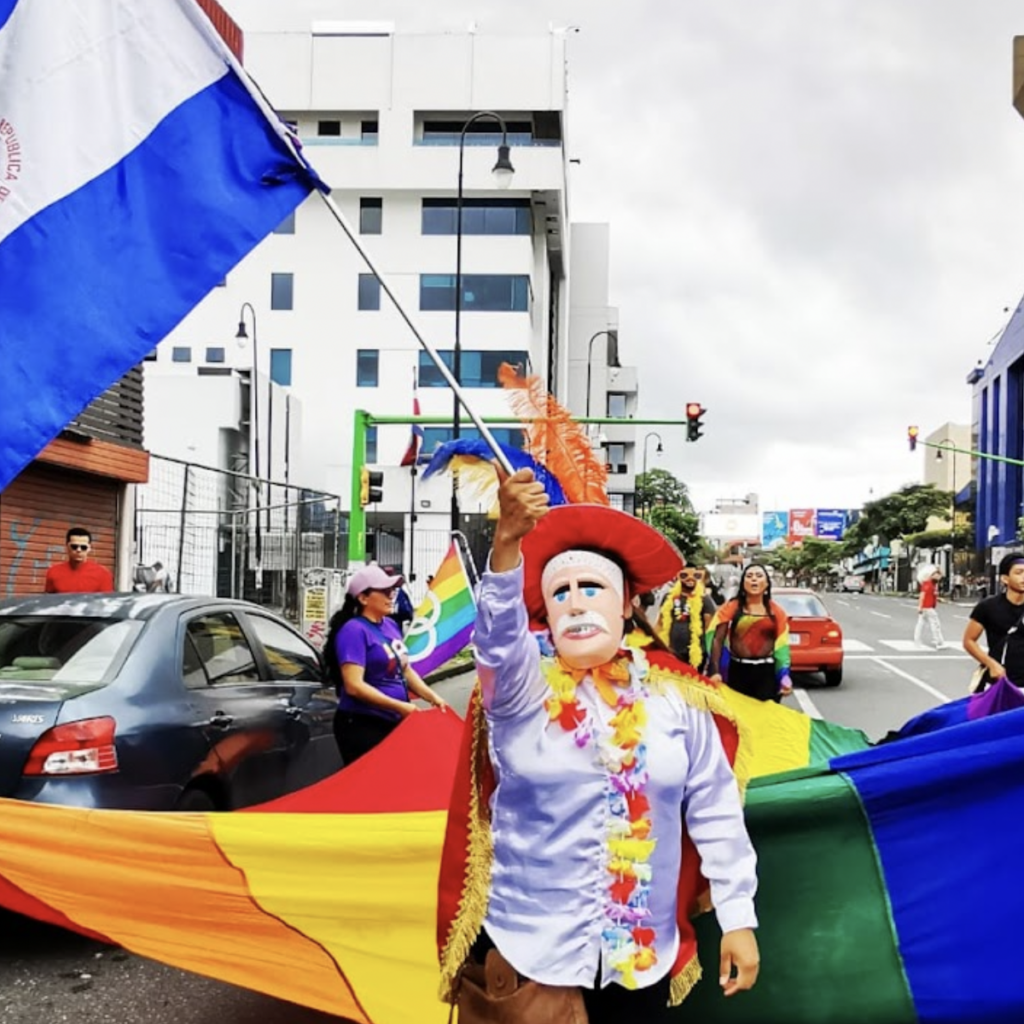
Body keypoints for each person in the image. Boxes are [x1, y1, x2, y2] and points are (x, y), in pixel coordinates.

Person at [437, 469, 759, 1024]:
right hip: (530, 959)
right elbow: (497, 642)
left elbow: (715, 809)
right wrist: (508, 544)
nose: (576, 603)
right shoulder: (520, 694)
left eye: (592, 589)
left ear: (627, 603)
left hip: (638, 964)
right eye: (560, 593)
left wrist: (737, 917)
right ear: (545, 612)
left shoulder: (680, 699)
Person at [324, 564, 446, 766]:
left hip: (393, 721)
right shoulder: (353, 631)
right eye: (384, 591)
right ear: (363, 598)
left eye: (393, 590)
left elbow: (405, 669)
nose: (391, 596)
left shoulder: (390, 625)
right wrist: (399, 706)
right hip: (363, 723)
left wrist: (433, 697)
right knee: (371, 788)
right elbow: (354, 686)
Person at [706, 563, 793, 702]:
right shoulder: (731, 607)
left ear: (766, 584)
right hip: (737, 671)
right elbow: (717, 639)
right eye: (749, 576)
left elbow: (782, 647)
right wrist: (715, 671)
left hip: (766, 674)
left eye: (759, 576)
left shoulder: (776, 612)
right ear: (743, 583)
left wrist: (784, 675)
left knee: (766, 719)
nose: (754, 579)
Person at [963, 553, 1024, 692]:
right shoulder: (987, 607)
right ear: (1005, 579)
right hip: (999, 683)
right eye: (1019, 573)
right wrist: (991, 665)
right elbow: (969, 641)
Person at [656, 562, 716, 670]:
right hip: (671, 650)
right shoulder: (669, 598)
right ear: (678, 577)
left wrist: (711, 657)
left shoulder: (704, 599)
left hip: (695, 654)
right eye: (684, 575)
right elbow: (660, 623)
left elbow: (710, 629)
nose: (690, 579)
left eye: (695, 576)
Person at [44, 528, 114, 594]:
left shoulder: (103, 574)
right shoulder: (53, 572)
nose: (79, 550)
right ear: (67, 546)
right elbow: (48, 602)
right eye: (74, 546)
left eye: (83, 547)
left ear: (89, 548)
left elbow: (106, 603)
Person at [914, 566, 944, 650]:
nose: (939, 578)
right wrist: (920, 606)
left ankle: (917, 640)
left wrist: (937, 598)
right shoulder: (928, 584)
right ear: (933, 574)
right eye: (938, 575)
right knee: (935, 624)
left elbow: (930, 595)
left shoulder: (931, 584)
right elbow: (922, 596)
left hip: (927, 607)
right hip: (927, 608)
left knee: (921, 624)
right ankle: (938, 642)